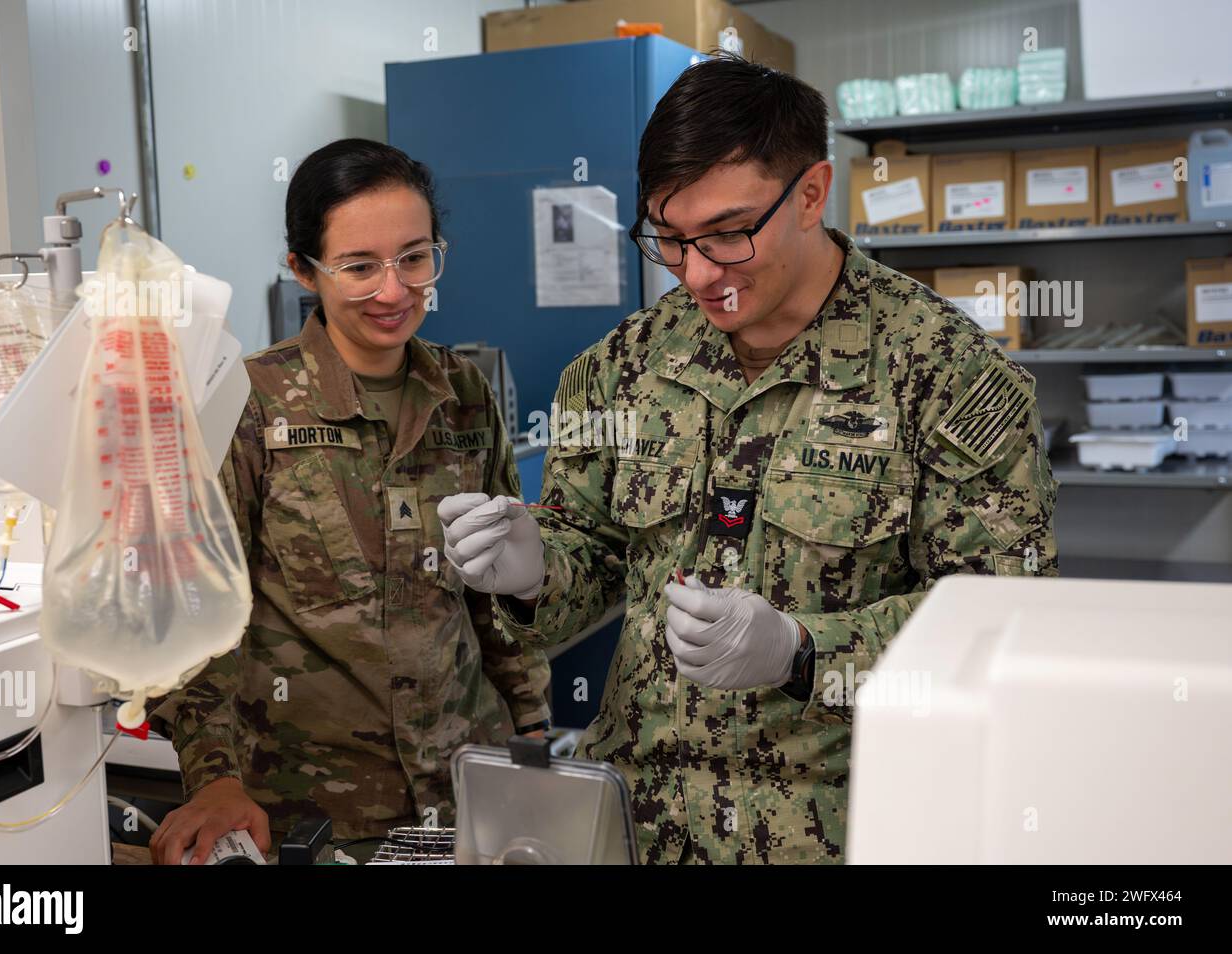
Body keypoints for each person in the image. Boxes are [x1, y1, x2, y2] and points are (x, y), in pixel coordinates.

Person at [438, 55, 1057, 864]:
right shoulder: (621, 367)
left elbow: (1001, 628)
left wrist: (801, 651)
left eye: (728, 234)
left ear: (810, 193)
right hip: (638, 824)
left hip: (845, 827)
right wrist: (533, 569)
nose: (697, 272)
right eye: (669, 238)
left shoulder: (946, 376)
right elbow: (587, 562)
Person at [149, 139, 551, 864]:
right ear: (303, 268)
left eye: (414, 258)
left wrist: (531, 731)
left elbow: (492, 599)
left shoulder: (465, 396)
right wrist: (213, 779)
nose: (394, 291)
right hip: (319, 813)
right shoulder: (249, 403)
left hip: (469, 790)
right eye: (360, 266)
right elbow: (202, 615)